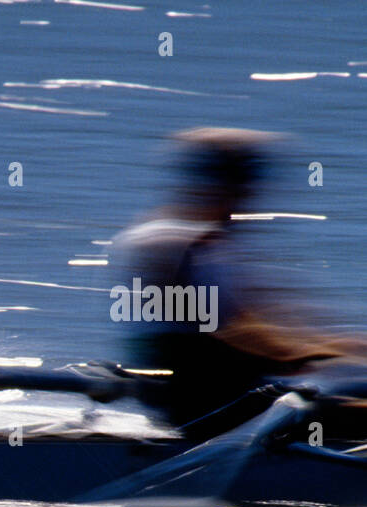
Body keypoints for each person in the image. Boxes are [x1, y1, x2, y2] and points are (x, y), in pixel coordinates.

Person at [115, 127, 360, 435]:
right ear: (230, 186)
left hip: (186, 396)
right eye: (247, 187)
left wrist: (335, 347)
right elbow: (224, 338)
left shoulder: (158, 231)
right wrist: (310, 355)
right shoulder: (188, 244)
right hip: (205, 404)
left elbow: (242, 323)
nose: (251, 199)